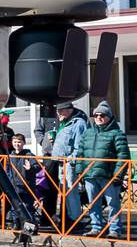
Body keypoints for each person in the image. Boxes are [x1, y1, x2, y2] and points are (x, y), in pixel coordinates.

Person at [73, 101, 131, 239]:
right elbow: (80, 153)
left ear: (109, 117)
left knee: (113, 203)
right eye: (96, 115)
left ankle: (115, 230)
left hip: (109, 175)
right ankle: (96, 227)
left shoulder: (117, 134)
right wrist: (80, 172)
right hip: (90, 174)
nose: (98, 117)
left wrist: (118, 175)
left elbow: (123, 156)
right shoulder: (88, 133)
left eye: (102, 115)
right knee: (93, 203)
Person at [48, 100, 88, 233]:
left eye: (60, 111)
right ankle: (68, 218)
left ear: (68, 109)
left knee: (71, 192)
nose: (58, 113)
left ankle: (74, 219)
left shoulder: (78, 123)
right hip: (61, 162)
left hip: (69, 164)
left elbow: (79, 146)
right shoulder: (64, 122)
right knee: (64, 192)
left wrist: (70, 160)